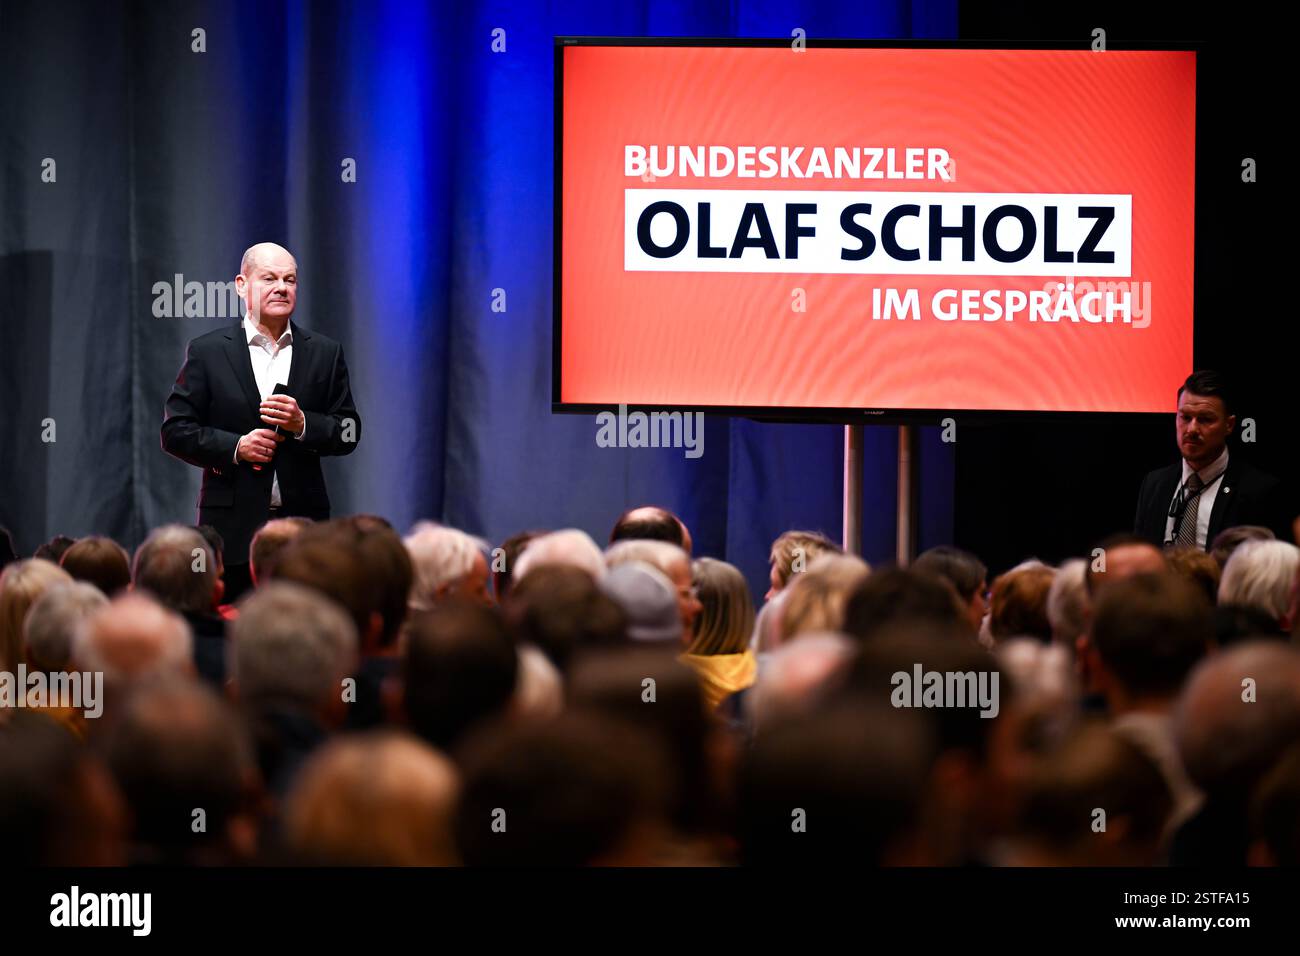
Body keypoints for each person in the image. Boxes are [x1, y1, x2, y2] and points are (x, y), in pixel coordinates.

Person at [161, 242, 361, 601]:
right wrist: (236, 448)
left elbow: (348, 431)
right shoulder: (208, 351)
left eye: (290, 279)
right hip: (232, 533)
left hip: (305, 529)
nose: (281, 287)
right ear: (241, 285)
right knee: (233, 641)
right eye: (269, 278)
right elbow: (175, 431)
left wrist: (303, 424)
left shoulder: (324, 351)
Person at [1134, 371, 1286, 550]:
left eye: (1205, 420)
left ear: (1229, 425)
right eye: (1185, 417)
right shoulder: (1154, 484)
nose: (1192, 429)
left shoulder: (1259, 491)